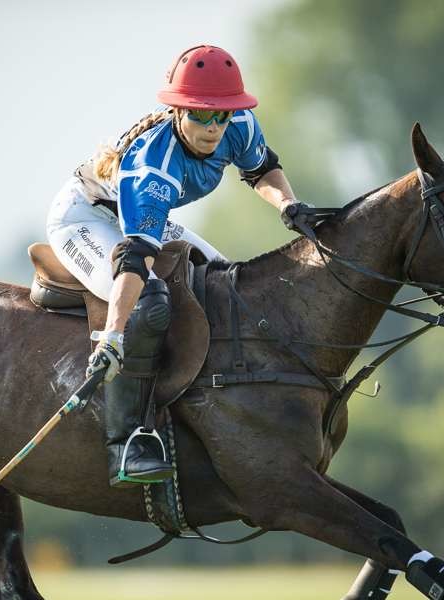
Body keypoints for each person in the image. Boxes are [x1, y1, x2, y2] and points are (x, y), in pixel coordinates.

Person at [45, 45, 307, 488]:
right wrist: (111, 336)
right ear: (178, 110)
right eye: (202, 116)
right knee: (148, 304)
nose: (214, 128)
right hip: (86, 219)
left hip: (145, 220)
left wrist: (290, 206)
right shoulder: (152, 168)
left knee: (230, 284)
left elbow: (263, 169)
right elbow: (134, 257)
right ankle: (127, 442)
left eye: (222, 116)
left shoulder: (237, 125)